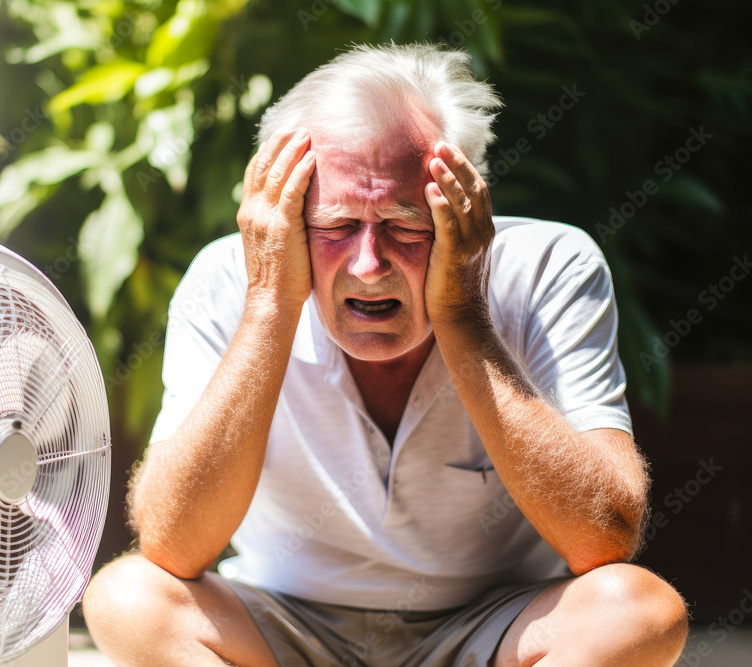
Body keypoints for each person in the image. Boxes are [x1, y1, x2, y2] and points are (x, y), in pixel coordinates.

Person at [83, 43, 689, 666]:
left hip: (494, 626)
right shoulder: (225, 281)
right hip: (282, 627)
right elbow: (173, 545)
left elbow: (604, 536)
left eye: (405, 227)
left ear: (464, 209)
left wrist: (461, 314)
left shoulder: (551, 269)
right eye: (337, 226)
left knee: (637, 611)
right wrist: (270, 303)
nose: (369, 267)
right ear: (286, 219)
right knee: (127, 596)